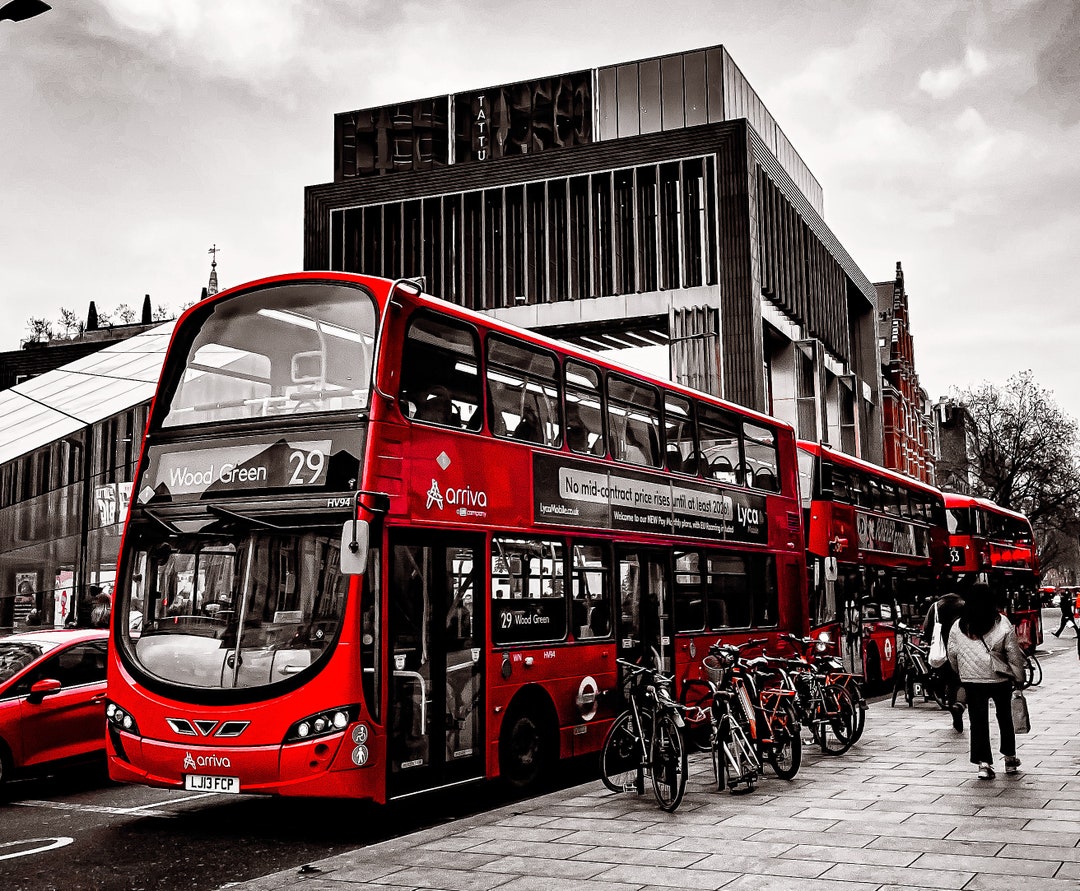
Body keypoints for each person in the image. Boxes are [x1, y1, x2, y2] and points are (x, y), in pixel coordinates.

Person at [946, 583, 1026, 780]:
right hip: (999, 677)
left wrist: (962, 673)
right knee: (1005, 717)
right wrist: (1019, 677)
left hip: (972, 680)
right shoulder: (1002, 622)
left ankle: (984, 764)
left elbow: (952, 654)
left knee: (978, 721)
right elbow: (1013, 653)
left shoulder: (959, 626)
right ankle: (1009, 758)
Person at [922, 591, 966, 731]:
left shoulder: (935, 607)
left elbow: (927, 629)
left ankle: (955, 713)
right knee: (962, 681)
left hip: (943, 652)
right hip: (963, 649)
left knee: (950, 682)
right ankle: (960, 704)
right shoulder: (963, 605)